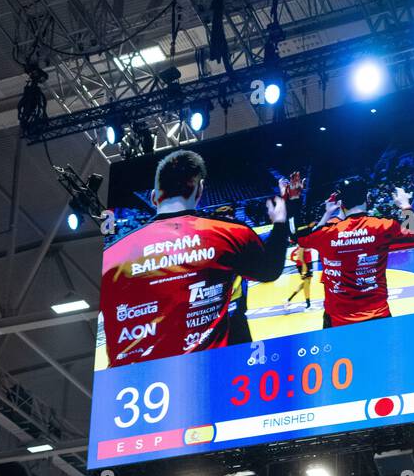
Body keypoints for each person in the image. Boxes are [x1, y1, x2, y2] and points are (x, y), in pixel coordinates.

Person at [99, 149, 301, 367]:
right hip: (211, 378)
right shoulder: (230, 234)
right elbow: (270, 269)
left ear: (153, 197)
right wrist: (281, 219)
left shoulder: (110, 256)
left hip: (130, 388)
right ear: (200, 190)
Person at [295, 175, 414, 328]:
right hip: (378, 316)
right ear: (368, 198)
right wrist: (405, 205)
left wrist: (297, 200)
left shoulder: (327, 233)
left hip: (337, 321)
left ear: (341, 204)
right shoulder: (382, 226)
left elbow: (299, 236)